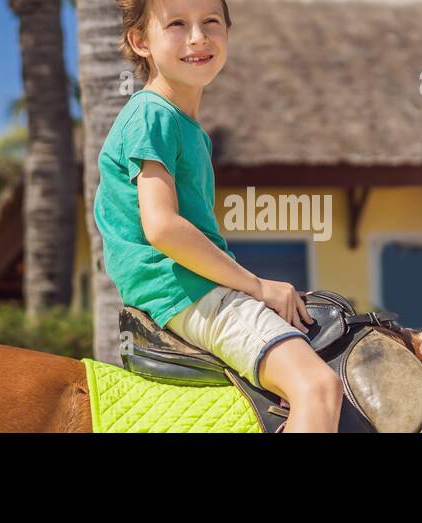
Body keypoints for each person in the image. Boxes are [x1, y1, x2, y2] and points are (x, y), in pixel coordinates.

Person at [95, 0, 342, 432]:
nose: (198, 37)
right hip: (182, 290)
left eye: (211, 23)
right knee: (318, 385)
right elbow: (162, 226)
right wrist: (257, 285)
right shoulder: (151, 114)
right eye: (176, 24)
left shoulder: (188, 129)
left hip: (188, 288)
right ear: (140, 41)